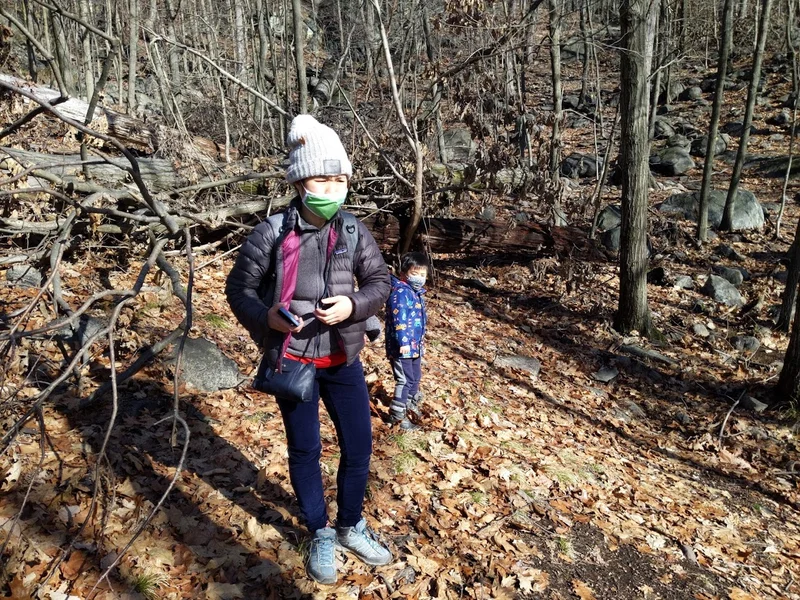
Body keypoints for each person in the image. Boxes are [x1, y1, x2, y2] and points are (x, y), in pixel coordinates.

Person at [225, 114, 392, 585]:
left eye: (340, 178)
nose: (334, 187)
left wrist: (354, 305)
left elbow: (381, 282)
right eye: (324, 177)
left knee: (358, 447)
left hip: (343, 360)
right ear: (300, 181)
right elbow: (238, 292)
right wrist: (267, 317)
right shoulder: (271, 233)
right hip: (294, 362)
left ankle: (350, 525)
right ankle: (319, 531)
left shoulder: (355, 231)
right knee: (305, 450)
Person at [384, 252, 429, 430]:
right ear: (403, 273)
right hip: (401, 347)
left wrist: (420, 345)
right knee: (404, 380)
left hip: (414, 347)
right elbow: (399, 321)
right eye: (415, 273)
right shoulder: (401, 292)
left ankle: (410, 406)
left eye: (422, 275)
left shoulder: (416, 293)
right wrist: (403, 343)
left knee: (415, 377)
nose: (419, 278)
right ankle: (397, 416)